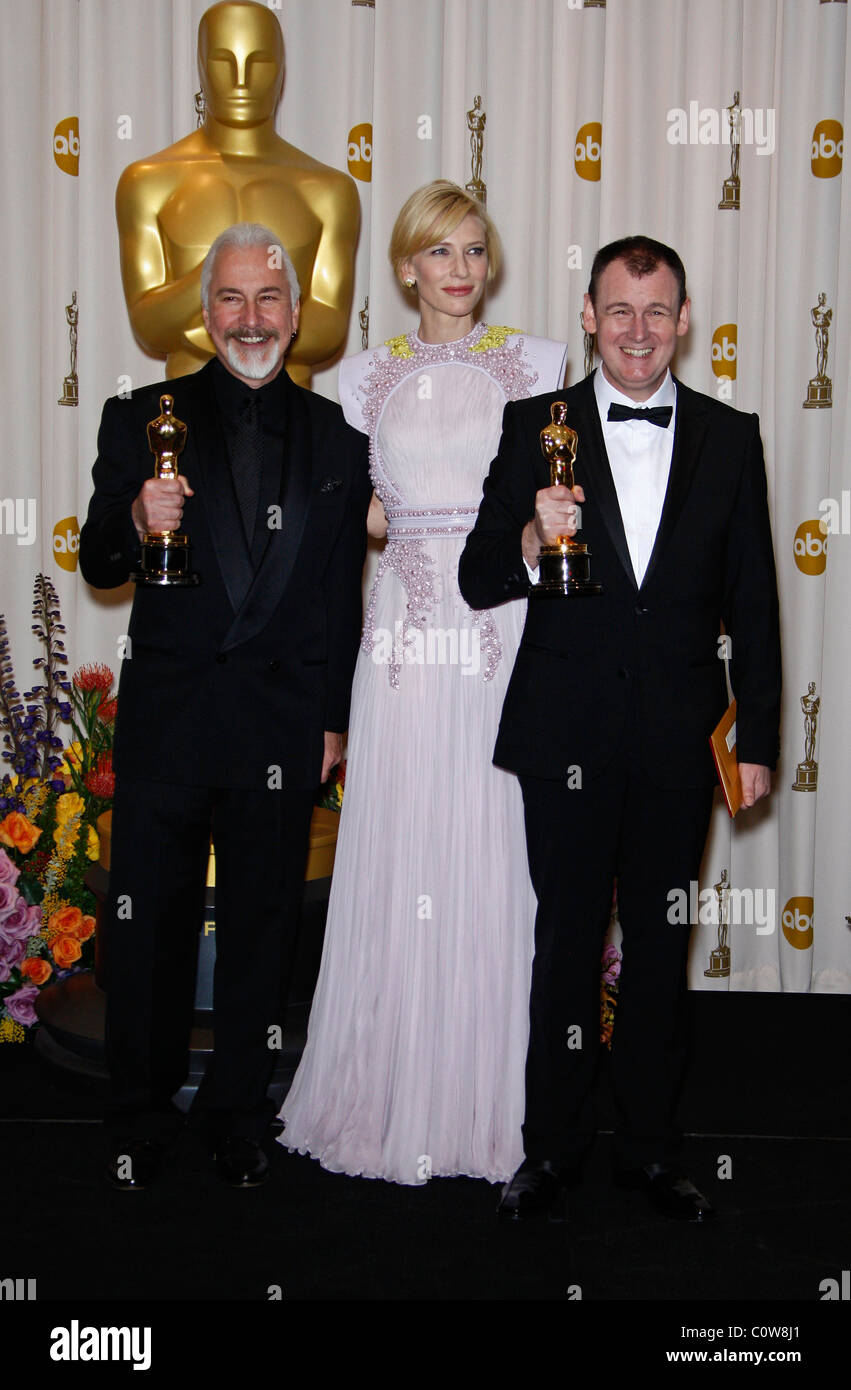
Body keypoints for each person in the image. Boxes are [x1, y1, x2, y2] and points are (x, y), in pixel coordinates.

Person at [459, 235, 781, 1221]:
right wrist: (525, 537)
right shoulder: (530, 425)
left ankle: (648, 1146)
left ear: (681, 320)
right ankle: (548, 1148)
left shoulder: (730, 437)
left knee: (656, 946)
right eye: (617, 310)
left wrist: (759, 740)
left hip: (676, 742)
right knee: (560, 946)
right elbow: (477, 576)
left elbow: (754, 600)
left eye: (656, 311)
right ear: (589, 317)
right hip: (561, 734)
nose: (637, 331)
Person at [278, 181, 567, 1185]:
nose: (458, 270)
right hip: (401, 635)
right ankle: (386, 1084)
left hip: (499, 625)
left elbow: (555, 493)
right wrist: (414, 534)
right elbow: (355, 519)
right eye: (439, 253)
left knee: (494, 838)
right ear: (404, 266)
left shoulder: (537, 364)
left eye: (473, 252)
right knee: (401, 840)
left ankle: (489, 1098)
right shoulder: (359, 377)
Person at [79, 222, 371, 1190]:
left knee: (262, 926)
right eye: (231, 299)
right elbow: (97, 560)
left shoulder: (338, 440)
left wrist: (332, 718)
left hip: (283, 722)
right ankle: (138, 1107)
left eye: (268, 299)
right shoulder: (139, 416)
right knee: (148, 922)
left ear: (295, 316)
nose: (251, 318)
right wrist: (132, 518)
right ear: (205, 315)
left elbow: (339, 593)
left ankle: (240, 1109)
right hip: (171, 714)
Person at [115, 0, 359, 386]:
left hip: (291, 419)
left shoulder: (328, 190)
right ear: (200, 65)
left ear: (281, 69)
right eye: (223, 61)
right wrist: (216, 278)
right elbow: (148, 323)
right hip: (186, 420)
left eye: (258, 62)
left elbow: (329, 326)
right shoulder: (148, 182)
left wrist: (211, 324)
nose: (241, 80)